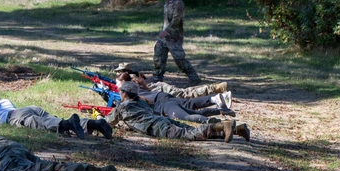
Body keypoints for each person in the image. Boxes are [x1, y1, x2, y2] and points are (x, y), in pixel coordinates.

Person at [105, 81, 250, 142]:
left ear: (124, 93)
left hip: (158, 127)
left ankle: (223, 125)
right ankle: (237, 129)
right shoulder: (141, 101)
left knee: (191, 135)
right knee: (196, 131)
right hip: (163, 121)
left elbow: (106, 124)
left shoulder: (122, 107)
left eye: (120, 92)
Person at [0, 88, 113, 139]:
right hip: (26, 108)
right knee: (50, 118)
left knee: (44, 123)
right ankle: (93, 123)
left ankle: (68, 124)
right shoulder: (5, 100)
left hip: (14, 117)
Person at [114, 72, 233, 123]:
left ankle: (215, 109)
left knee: (188, 109)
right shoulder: (134, 83)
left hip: (161, 101)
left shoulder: (128, 88)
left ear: (124, 82)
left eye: (117, 84)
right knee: (189, 104)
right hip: (162, 97)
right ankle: (216, 99)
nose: (116, 86)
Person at [153, 0, 202, 85]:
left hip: (174, 36)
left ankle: (194, 78)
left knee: (179, 59)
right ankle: (157, 77)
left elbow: (176, 20)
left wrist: (166, 31)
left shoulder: (178, 3)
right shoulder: (167, 2)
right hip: (164, 37)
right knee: (158, 55)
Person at [113, 62, 227, 98]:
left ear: (126, 72)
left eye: (120, 71)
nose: (118, 74)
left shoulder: (130, 79)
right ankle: (215, 88)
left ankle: (216, 88)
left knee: (186, 94)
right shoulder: (132, 76)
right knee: (186, 92)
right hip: (158, 88)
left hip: (158, 89)